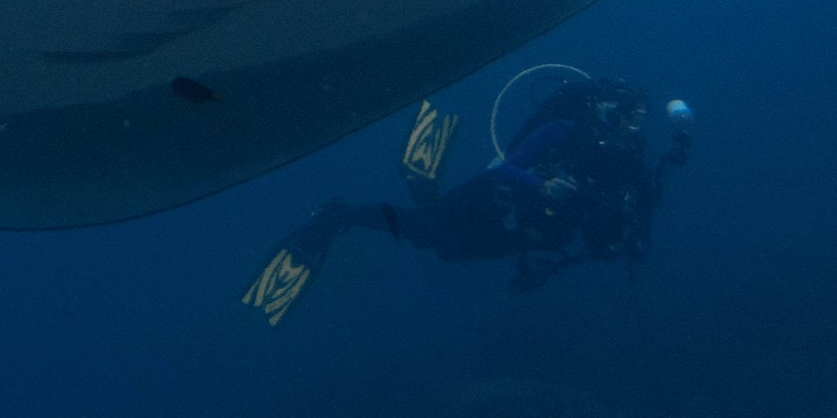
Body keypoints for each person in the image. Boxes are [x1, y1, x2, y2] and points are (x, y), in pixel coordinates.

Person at [244, 75, 692, 322]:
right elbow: (509, 167)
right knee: (422, 231)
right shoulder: (563, 133)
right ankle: (339, 215)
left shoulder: (634, 159)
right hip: (498, 199)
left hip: (529, 234)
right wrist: (543, 186)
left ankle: (421, 180)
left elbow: (639, 221)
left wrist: (629, 240)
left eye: (636, 119)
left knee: (446, 250)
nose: (629, 126)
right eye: (624, 116)